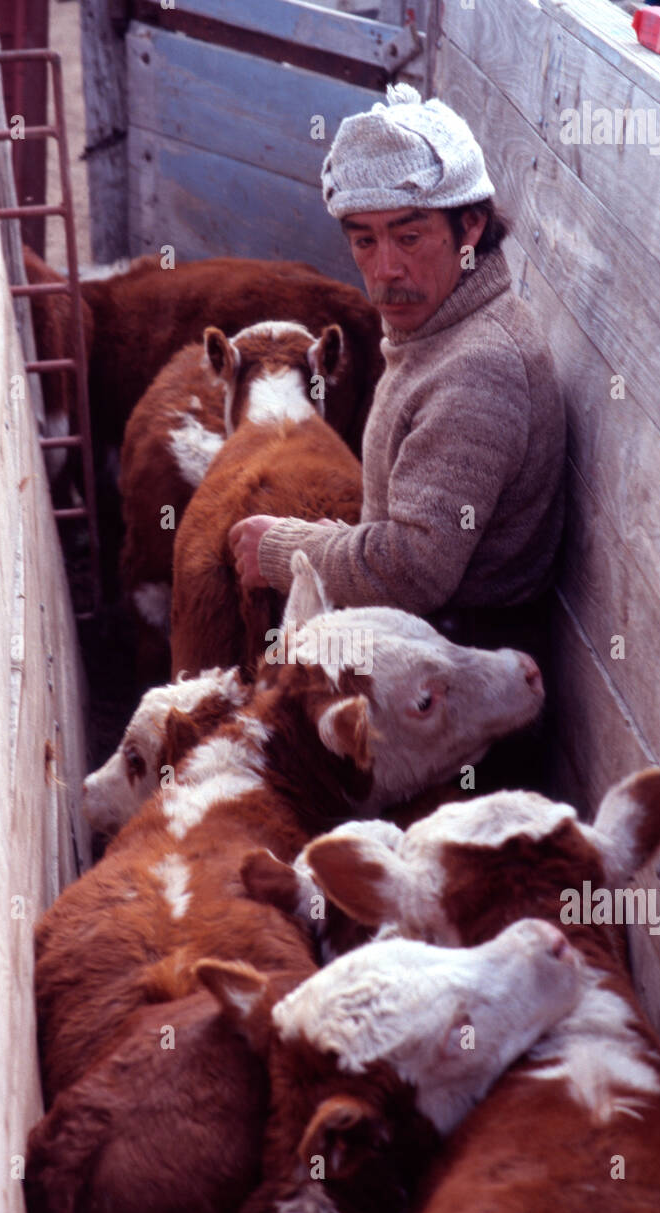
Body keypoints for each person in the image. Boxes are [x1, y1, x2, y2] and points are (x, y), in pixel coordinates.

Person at [230, 85, 567, 784]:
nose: (384, 268)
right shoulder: (437, 332)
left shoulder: (479, 370)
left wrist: (283, 552)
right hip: (429, 654)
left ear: (469, 227)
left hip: (450, 702)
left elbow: (413, 568)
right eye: (364, 239)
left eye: (408, 236)